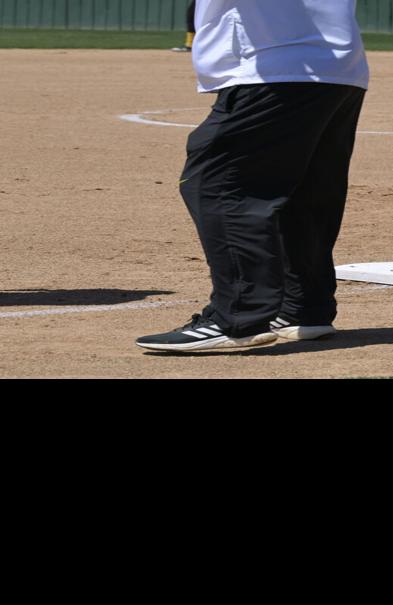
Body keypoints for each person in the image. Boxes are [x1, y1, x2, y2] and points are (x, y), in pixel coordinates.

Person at [136, 0, 369, 352]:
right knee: (302, 190)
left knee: (217, 183)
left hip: (272, 65)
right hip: (338, 67)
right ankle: (303, 308)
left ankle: (238, 316)